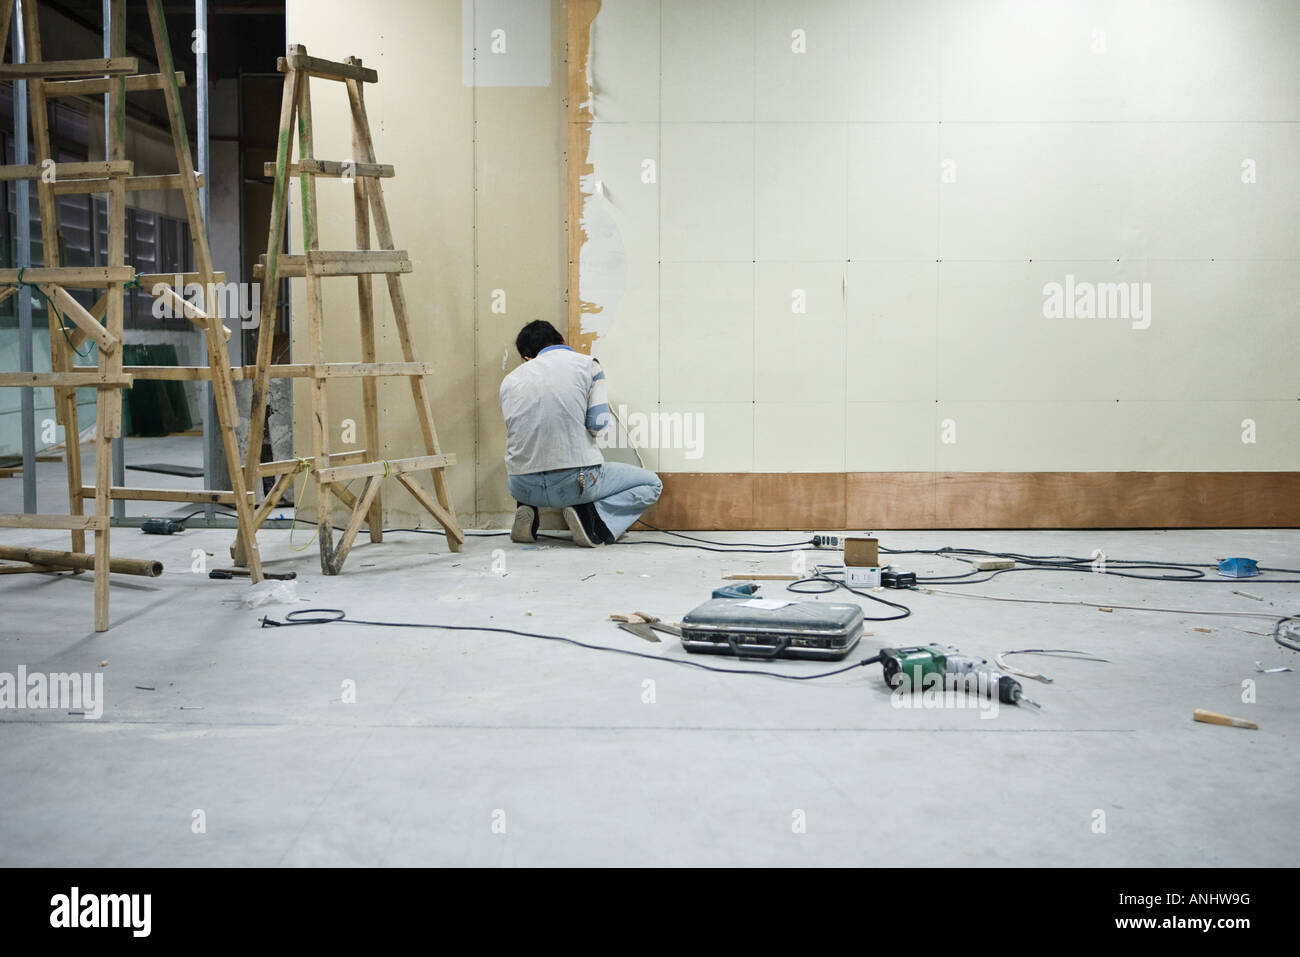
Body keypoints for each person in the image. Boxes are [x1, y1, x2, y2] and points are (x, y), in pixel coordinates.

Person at [499, 320, 662, 546]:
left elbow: (519, 431)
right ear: (562, 341)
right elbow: (598, 423)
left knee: (531, 464)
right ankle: (594, 523)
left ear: (528, 357)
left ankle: (527, 509)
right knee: (652, 483)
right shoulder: (587, 365)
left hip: (520, 484)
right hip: (574, 483)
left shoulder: (510, 380)